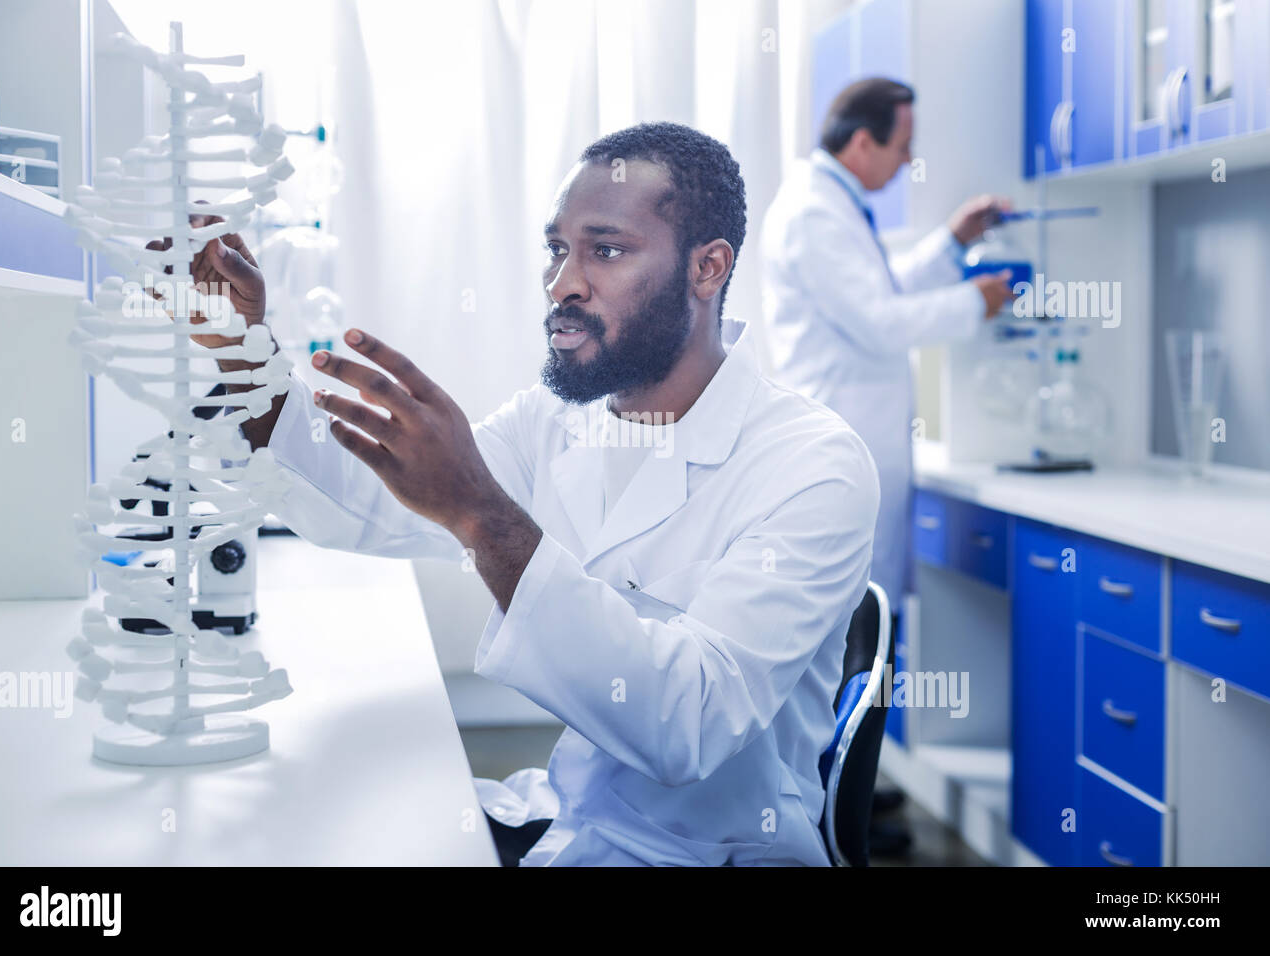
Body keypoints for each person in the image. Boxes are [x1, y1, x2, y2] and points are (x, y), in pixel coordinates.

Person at [178, 122, 880, 866]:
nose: (563, 284)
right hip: (582, 819)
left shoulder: (813, 465)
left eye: (605, 250)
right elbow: (371, 505)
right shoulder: (559, 421)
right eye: (557, 250)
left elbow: (690, 724)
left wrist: (481, 514)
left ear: (707, 269)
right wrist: (243, 351)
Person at [761, 76, 1013, 646]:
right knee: (852, 634)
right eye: (903, 146)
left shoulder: (833, 206)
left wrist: (953, 242)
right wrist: (974, 302)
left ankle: (854, 729)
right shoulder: (813, 214)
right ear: (862, 144)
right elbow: (877, 323)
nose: (909, 160)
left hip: (860, 440)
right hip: (844, 444)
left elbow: (882, 294)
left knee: (867, 622)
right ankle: (849, 735)